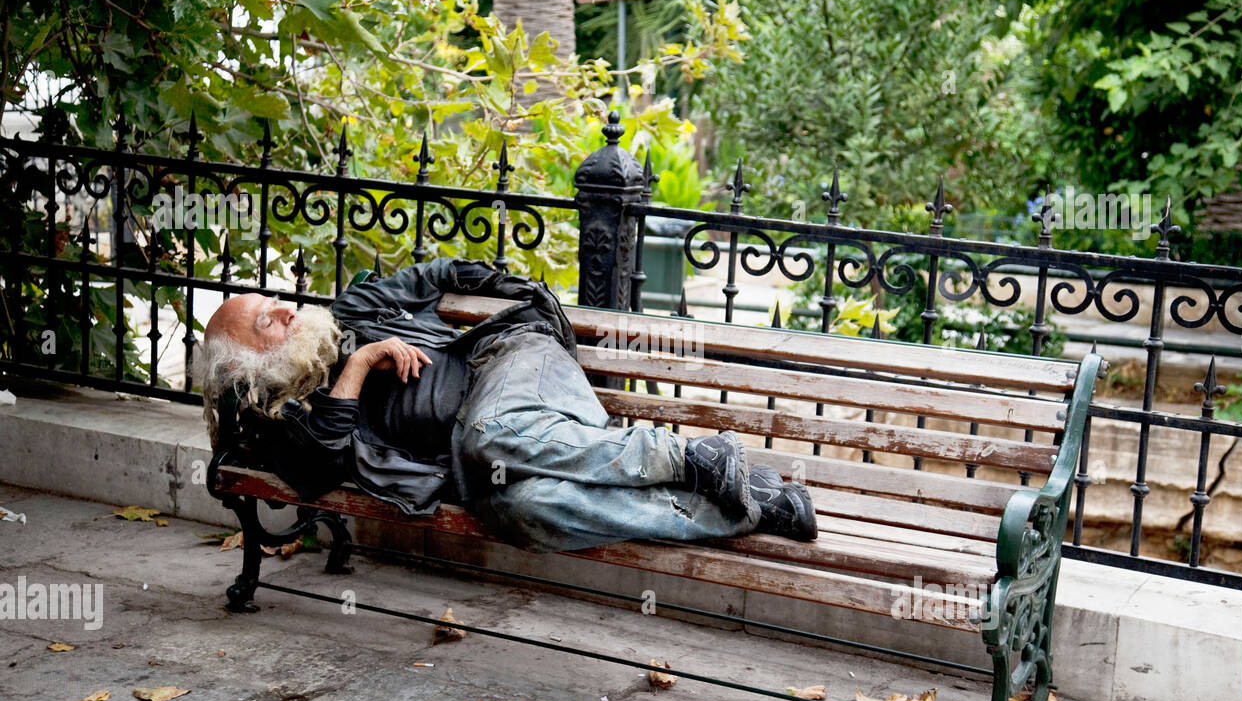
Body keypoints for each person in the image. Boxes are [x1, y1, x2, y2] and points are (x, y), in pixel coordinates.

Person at [193, 257, 816, 553]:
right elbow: (321, 467)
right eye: (265, 323)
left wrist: (524, 295)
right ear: (250, 367)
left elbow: (439, 273)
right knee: (526, 508)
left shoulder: (351, 309)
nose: (283, 308)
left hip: (515, 361)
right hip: (488, 464)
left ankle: (685, 452)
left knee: (487, 433)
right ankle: (755, 506)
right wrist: (359, 365)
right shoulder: (281, 421)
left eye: (268, 301)